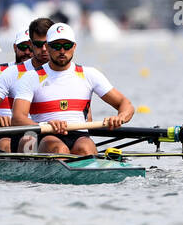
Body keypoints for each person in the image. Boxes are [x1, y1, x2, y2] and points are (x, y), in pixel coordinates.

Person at [10, 22, 133, 156]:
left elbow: (126, 104)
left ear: (74, 47)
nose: (62, 51)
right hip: (44, 134)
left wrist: (120, 117)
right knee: (59, 149)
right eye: (56, 46)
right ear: (47, 47)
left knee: (85, 148)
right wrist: (46, 125)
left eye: (66, 46)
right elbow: (17, 118)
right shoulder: (31, 77)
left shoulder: (89, 74)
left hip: (79, 134)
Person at [0, 18, 54, 151]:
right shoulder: (12, 73)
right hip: (26, 135)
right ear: (32, 45)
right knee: (12, 144)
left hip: (62, 133)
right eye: (39, 45)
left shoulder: (72, 73)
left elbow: (85, 117)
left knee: (85, 147)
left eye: (47, 44)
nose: (44, 49)